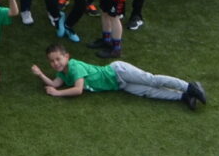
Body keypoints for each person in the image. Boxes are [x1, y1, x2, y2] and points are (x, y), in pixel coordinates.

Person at [31, 43, 206, 110]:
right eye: (52, 62)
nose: (56, 63)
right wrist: (41, 75)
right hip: (119, 85)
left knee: (151, 79)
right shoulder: (62, 72)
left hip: (118, 71)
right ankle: (183, 96)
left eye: (58, 59)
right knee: (148, 92)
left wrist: (58, 94)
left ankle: (189, 86)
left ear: (66, 57)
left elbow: (77, 90)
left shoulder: (74, 67)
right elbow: (54, 84)